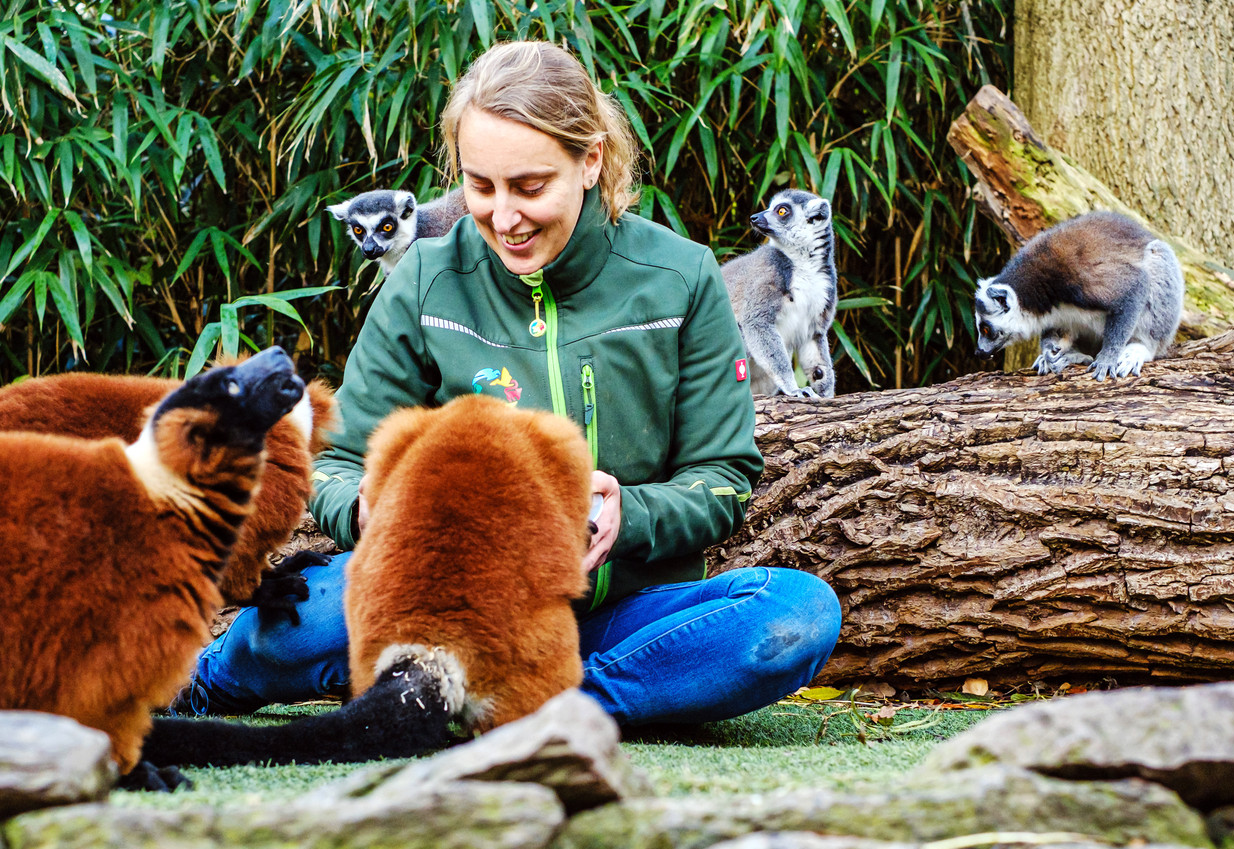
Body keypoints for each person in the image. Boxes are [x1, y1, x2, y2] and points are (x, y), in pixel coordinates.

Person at [174, 41, 843, 728]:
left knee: (796, 615)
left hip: (615, 616)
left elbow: (722, 477)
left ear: (591, 161)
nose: (502, 217)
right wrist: (374, 509)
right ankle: (206, 682)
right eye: (480, 186)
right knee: (306, 618)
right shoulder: (426, 278)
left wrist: (629, 514)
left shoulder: (682, 276)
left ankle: (519, 705)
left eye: (529, 187)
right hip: (441, 603)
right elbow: (336, 460)